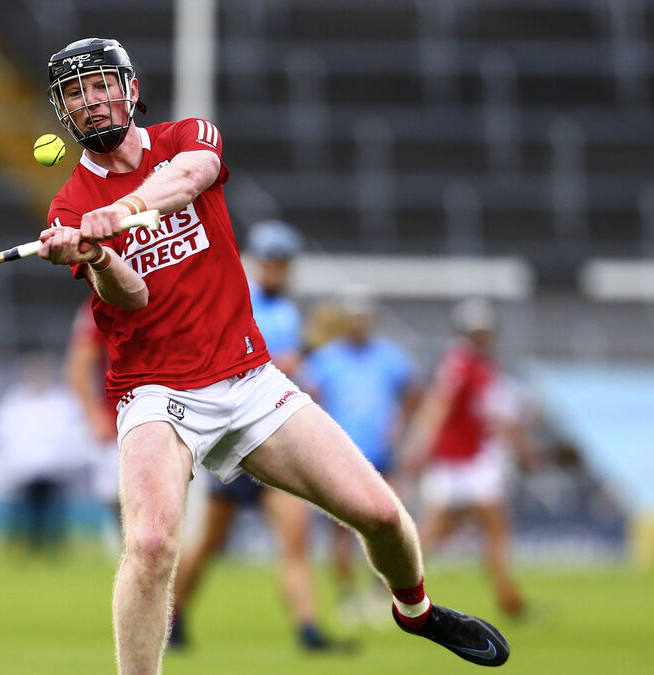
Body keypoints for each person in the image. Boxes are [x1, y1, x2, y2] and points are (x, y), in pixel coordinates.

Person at [36, 37, 509, 673]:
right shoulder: (70, 205)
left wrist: (122, 211)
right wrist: (95, 254)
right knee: (150, 544)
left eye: (100, 86)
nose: (91, 103)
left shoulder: (185, 137)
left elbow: (190, 179)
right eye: (74, 94)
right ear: (63, 114)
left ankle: (415, 611)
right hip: (156, 393)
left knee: (382, 516)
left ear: (128, 89)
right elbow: (133, 294)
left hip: (249, 380)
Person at [169, 220, 344, 652]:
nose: (277, 270)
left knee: (295, 542)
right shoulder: (237, 297)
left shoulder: (287, 312)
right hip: (232, 443)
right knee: (210, 543)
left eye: (283, 263)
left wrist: (307, 367)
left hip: (274, 441)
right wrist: (301, 354)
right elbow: (245, 366)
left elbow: (289, 376)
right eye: (271, 262)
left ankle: (309, 632)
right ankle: (172, 618)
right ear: (258, 262)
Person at [399, 297, 538, 619]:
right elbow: (438, 406)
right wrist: (418, 447)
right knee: (433, 533)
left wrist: (522, 447)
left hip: (474, 461)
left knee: (494, 528)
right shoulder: (459, 363)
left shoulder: (482, 367)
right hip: (452, 461)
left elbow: (492, 417)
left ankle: (509, 599)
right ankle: (390, 590)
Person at [302, 284, 420, 628]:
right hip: (341, 454)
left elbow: (411, 394)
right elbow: (309, 397)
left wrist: (399, 427)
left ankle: (381, 595)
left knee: (391, 528)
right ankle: (348, 595)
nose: (359, 324)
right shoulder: (327, 358)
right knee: (340, 530)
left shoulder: (389, 356)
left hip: (382, 455)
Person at [0, 353, 81, 559]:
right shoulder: (14, 401)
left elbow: (69, 433)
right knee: (23, 516)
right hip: (24, 469)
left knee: (53, 516)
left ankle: (54, 552)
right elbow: (8, 434)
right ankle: (22, 552)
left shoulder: (61, 401)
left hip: (53, 470)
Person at [65, 296, 123, 550]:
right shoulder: (97, 305)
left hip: (172, 413)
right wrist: (92, 413)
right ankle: (130, 550)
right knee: (118, 496)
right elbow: (79, 365)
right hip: (118, 419)